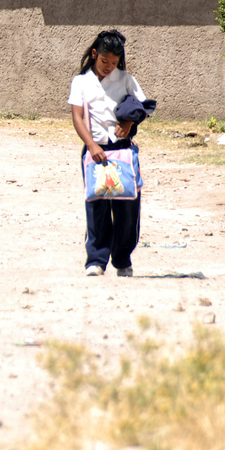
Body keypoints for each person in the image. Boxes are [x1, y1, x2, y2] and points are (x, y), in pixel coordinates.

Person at [68, 29, 149, 278]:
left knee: (127, 207)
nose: (108, 67)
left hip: (121, 150)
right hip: (96, 152)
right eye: (104, 61)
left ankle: (123, 259)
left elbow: (144, 106)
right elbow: (77, 117)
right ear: (95, 54)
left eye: (114, 63)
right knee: (97, 206)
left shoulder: (126, 79)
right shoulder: (81, 82)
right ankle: (96, 260)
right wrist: (92, 145)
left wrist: (130, 123)